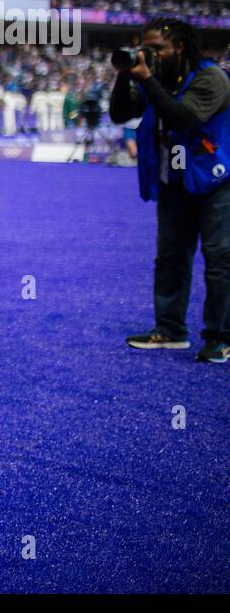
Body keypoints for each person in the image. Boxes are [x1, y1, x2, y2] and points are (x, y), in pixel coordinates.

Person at [109, 19, 230, 363]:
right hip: (174, 179)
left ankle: (220, 337)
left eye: (157, 48)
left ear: (179, 46)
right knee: (170, 259)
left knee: (220, 261)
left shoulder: (212, 78)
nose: (151, 55)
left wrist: (146, 79)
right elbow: (120, 114)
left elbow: (182, 118)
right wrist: (125, 74)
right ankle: (170, 330)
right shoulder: (157, 78)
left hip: (216, 182)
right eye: (146, 48)